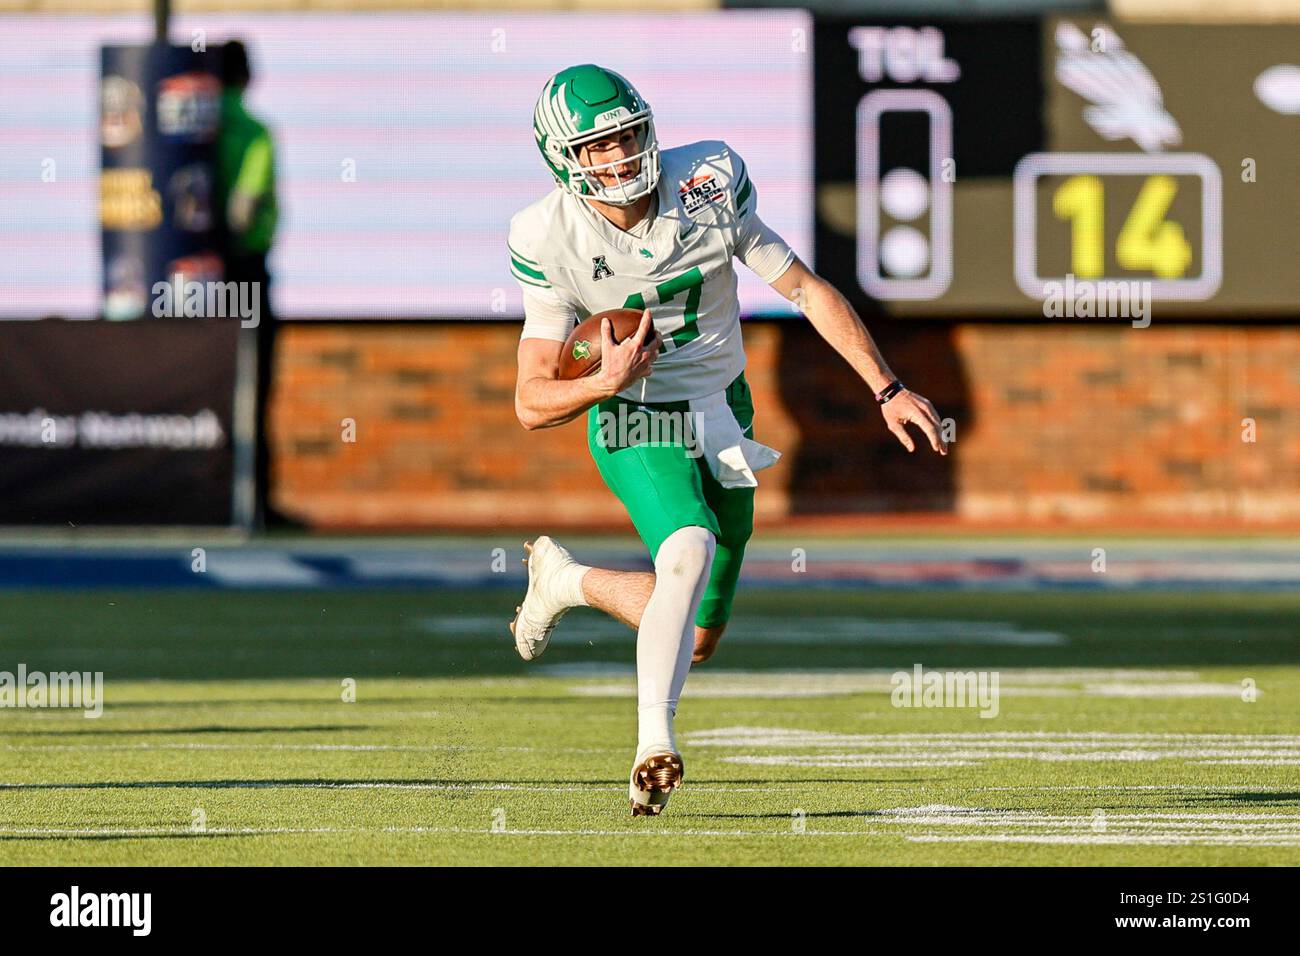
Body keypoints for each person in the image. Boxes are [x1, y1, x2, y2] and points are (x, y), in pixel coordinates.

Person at [507, 65, 947, 815]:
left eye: (626, 136)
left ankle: (570, 583)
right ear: (563, 159)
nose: (617, 158)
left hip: (723, 408)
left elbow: (804, 288)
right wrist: (601, 384)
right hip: (633, 411)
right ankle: (653, 744)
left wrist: (887, 387)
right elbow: (530, 400)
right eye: (597, 146)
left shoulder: (708, 180)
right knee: (687, 547)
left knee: (698, 634)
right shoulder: (545, 233)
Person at [216, 39, 281, 528]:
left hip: (191, 275)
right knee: (254, 383)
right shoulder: (254, 132)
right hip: (246, 271)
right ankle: (254, 504)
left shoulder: (199, 129)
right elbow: (246, 209)